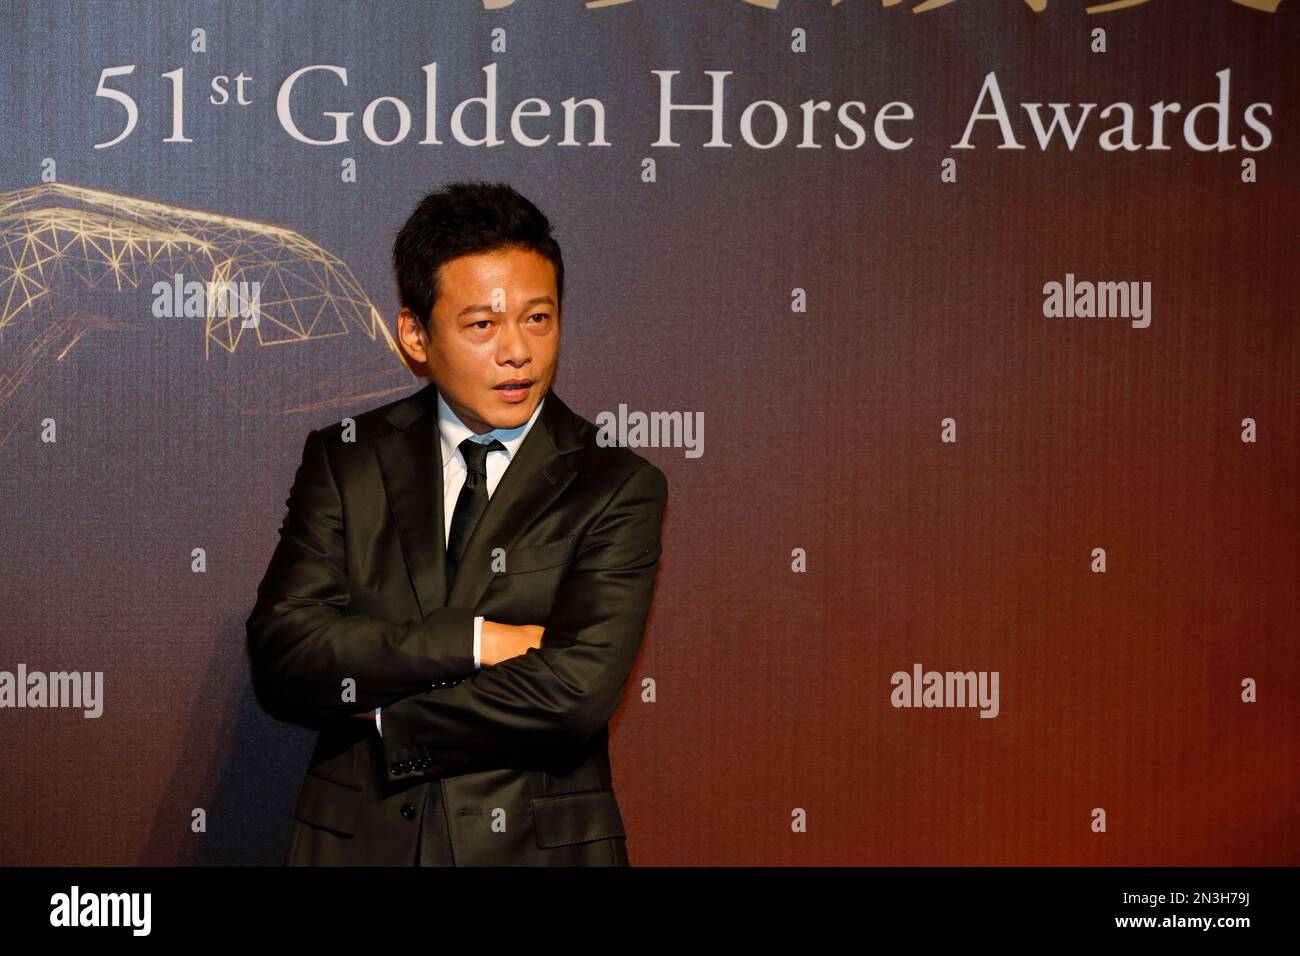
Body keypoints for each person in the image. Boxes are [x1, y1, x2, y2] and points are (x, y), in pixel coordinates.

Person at [245, 182, 668, 865]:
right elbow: (287, 657)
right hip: (359, 844)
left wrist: (386, 719)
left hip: (536, 851)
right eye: (482, 325)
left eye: (538, 318)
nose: (518, 352)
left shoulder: (615, 482)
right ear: (414, 333)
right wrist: (473, 642)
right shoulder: (346, 458)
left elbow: (573, 694)